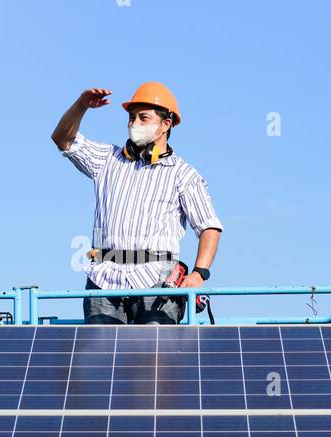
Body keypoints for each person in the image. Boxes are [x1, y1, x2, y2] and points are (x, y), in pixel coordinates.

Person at [51, 82, 223, 324]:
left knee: (152, 357)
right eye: (131, 118)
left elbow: (209, 227)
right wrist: (81, 106)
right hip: (103, 277)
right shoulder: (106, 159)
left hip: (157, 280)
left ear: (166, 124)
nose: (134, 124)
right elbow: (62, 139)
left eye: (144, 118)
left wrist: (199, 273)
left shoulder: (184, 174)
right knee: (101, 358)